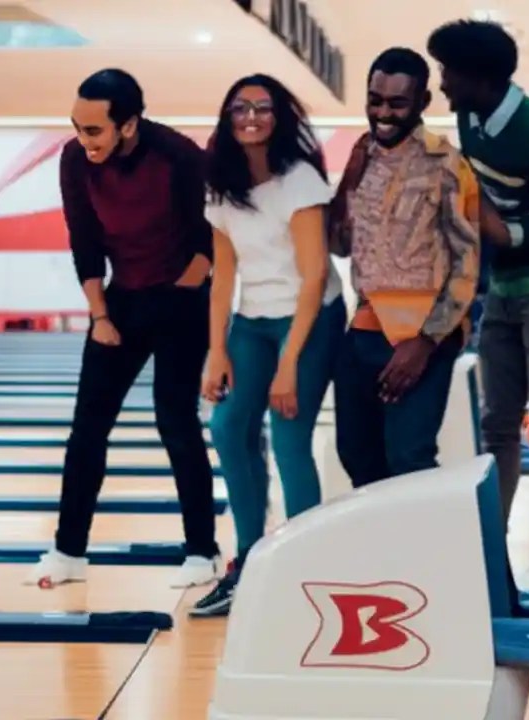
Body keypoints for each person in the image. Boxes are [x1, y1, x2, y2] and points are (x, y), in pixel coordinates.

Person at [28, 69, 221, 588]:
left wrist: (183, 296)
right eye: (77, 127)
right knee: (88, 426)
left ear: (129, 124)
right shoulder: (75, 160)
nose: (83, 140)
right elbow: (83, 238)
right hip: (122, 299)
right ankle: (68, 552)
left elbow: (208, 241)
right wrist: (100, 315)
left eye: (94, 130)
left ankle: (203, 552)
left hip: (180, 297)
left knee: (175, 422)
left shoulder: (178, 155)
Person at [426, 20, 529, 591]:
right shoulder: (470, 116)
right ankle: (489, 547)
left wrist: (513, 234)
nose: (441, 84)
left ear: (479, 77)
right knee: (496, 421)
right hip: (504, 287)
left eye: (448, 73)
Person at [188, 74, 347, 617]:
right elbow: (223, 276)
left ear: (279, 116)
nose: (250, 117)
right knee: (228, 426)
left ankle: (305, 568)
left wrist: (289, 365)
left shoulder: (300, 181)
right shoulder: (222, 185)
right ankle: (249, 560)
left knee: (288, 435)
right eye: (240, 108)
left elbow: (313, 276)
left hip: (310, 318)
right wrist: (217, 351)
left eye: (262, 108)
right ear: (227, 118)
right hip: (254, 321)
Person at [326, 47, 481, 487]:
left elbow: (466, 265)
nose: (383, 112)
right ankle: (382, 554)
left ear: (423, 103)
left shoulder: (447, 164)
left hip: (423, 335)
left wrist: (425, 343)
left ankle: (427, 554)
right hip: (364, 330)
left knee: (409, 458)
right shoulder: (362, 156)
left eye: (397, 102)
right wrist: (349, 184)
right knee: (356, 455)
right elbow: (338, 244)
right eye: (375, 100)